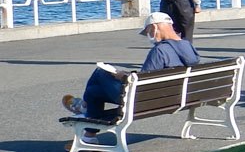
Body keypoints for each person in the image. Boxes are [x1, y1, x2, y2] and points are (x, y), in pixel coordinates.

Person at [61, 13, 200, 121]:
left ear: (155, 27)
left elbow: (143, 82)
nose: (149, 36)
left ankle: (83, 107)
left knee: (100, 72)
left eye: (148, 32)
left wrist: (124, 76)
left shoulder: (160, 51)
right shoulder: (188, 47)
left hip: (143, 101)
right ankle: (88, 135)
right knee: (93, 92)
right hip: (175, 97)